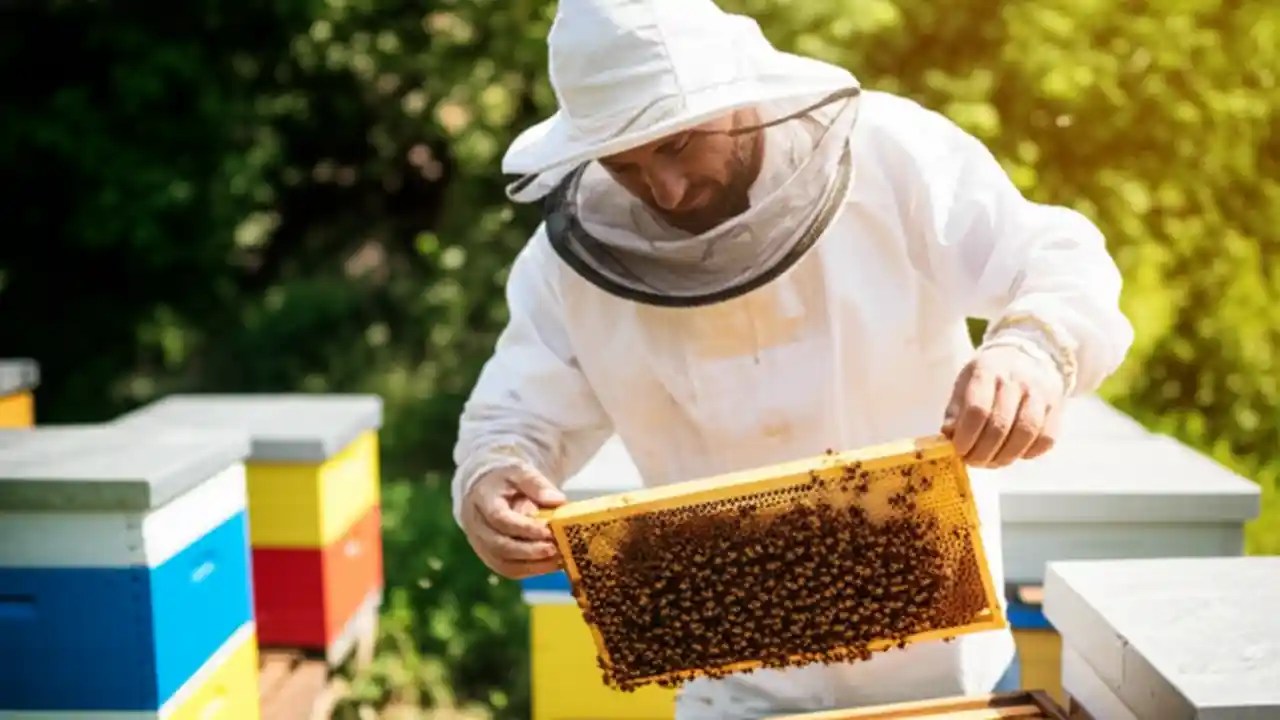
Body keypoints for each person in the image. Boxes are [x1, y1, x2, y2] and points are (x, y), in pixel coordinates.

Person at [451, 0, 1134, 717]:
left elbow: (1058, 260)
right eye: (626, 166)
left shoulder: (890, 154)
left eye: (680, 145)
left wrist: (1033, 346)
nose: (666, 190)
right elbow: (515, 415)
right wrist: (493, 476)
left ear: (734, 95)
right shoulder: (569, 265)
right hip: (734, 694)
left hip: (946, 682)